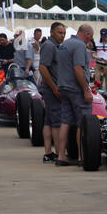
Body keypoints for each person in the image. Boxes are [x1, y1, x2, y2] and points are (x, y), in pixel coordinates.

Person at [52, 24, 94, 167]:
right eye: (91, 37)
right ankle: (82, 156)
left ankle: (61, 155)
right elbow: (78, 68)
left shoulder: (64, 44)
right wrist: (86, 90)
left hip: (63, 86)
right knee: (83, 122)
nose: (90, 40)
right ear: (87, 34)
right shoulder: (79, 46)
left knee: (65, 122)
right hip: (75, 88)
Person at [35, 22, 65, 163]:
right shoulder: (49, 46)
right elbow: (42, 68)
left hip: (50, 88)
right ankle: (59, 153)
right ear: (52, 32)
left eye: (63, 33)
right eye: (60, 32)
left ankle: (48, 153)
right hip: (52, 89)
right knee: (57, 122)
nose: (62, 35)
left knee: (49, 121)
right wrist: (54, 88)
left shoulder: (54, 46)